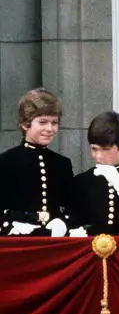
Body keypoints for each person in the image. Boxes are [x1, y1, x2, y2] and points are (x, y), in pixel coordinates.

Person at [0, 88, 75, 237]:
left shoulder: (62, 164)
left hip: (54, 243)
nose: (50, 128)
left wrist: (63, 222)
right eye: (42, 122)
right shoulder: (6, 161)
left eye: (54, 123)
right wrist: (11, 224)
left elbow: (71, 207)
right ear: (25, 124)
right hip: (18, 244)